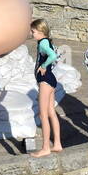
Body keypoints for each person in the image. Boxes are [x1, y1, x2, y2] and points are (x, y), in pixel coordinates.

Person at [30, 18, 63, 157]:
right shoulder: (45, 41)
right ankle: (57, 144)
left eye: (33, 31)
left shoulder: (43, 43)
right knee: (51, 112)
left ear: (41, 31)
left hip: (45, 81)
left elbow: (53, 55)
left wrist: (43, 66)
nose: (32, 34)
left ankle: (45, 147)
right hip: (50, 80)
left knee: (43, 115)